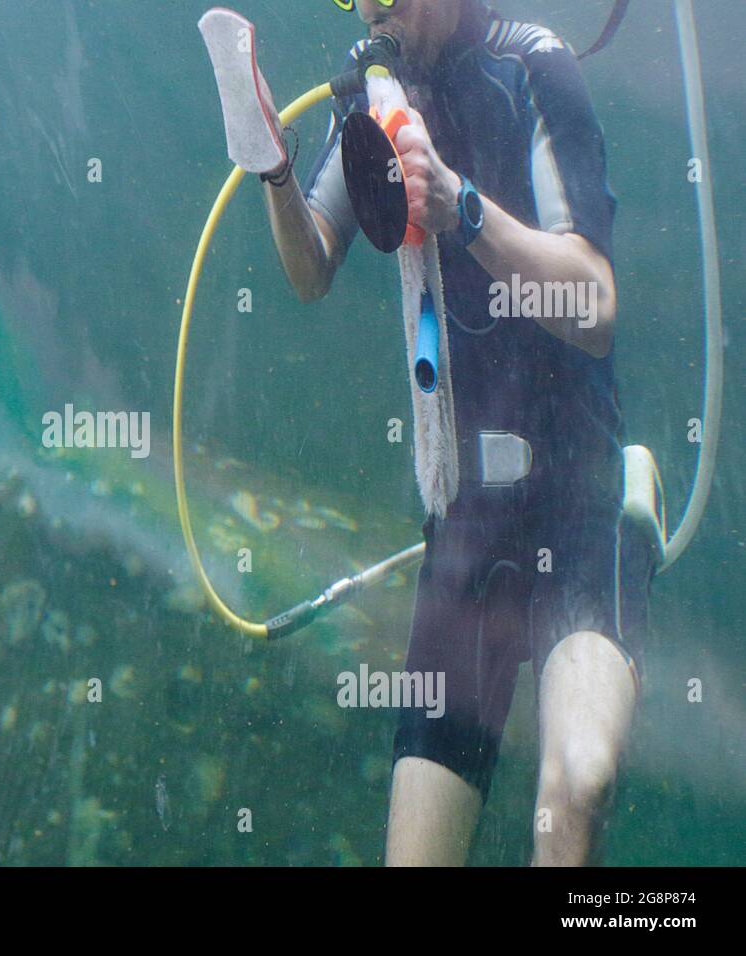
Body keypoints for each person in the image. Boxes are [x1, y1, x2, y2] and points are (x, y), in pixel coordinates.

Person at [257, 0, 638, 865]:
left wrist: (460, 205)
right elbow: (312, 264)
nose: (374, 7)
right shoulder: (371, 99)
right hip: (468, 519)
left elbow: (595, 305)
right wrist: (273, 171)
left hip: (577, 497)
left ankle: (638, 511)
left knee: (577, 787)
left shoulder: (533, 64)